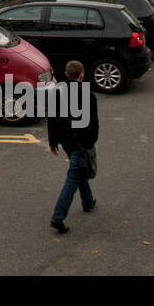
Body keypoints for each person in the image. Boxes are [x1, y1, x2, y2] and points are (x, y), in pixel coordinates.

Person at [46, 60, 99, 234]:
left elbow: (52, 120)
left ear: (67, 75)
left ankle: (88, 202)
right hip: (80, 143)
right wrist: (89, 143)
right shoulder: (88, 96)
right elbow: (93, 124)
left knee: (79, 170)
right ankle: (58, 217)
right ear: (82, 75)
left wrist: (53, 141)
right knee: (74, 176)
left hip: (65, 141)